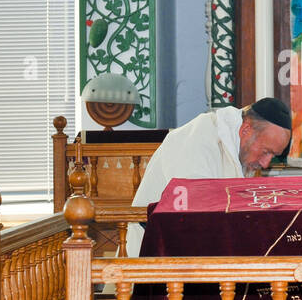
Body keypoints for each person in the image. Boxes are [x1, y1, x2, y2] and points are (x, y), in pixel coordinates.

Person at [124, 97, 292, 256]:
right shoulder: (196, 140)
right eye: (265, 152)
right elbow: (193, 219)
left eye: (273, 156)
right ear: (245, 130)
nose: (265, 164)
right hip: (152, 257)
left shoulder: (239, 150)